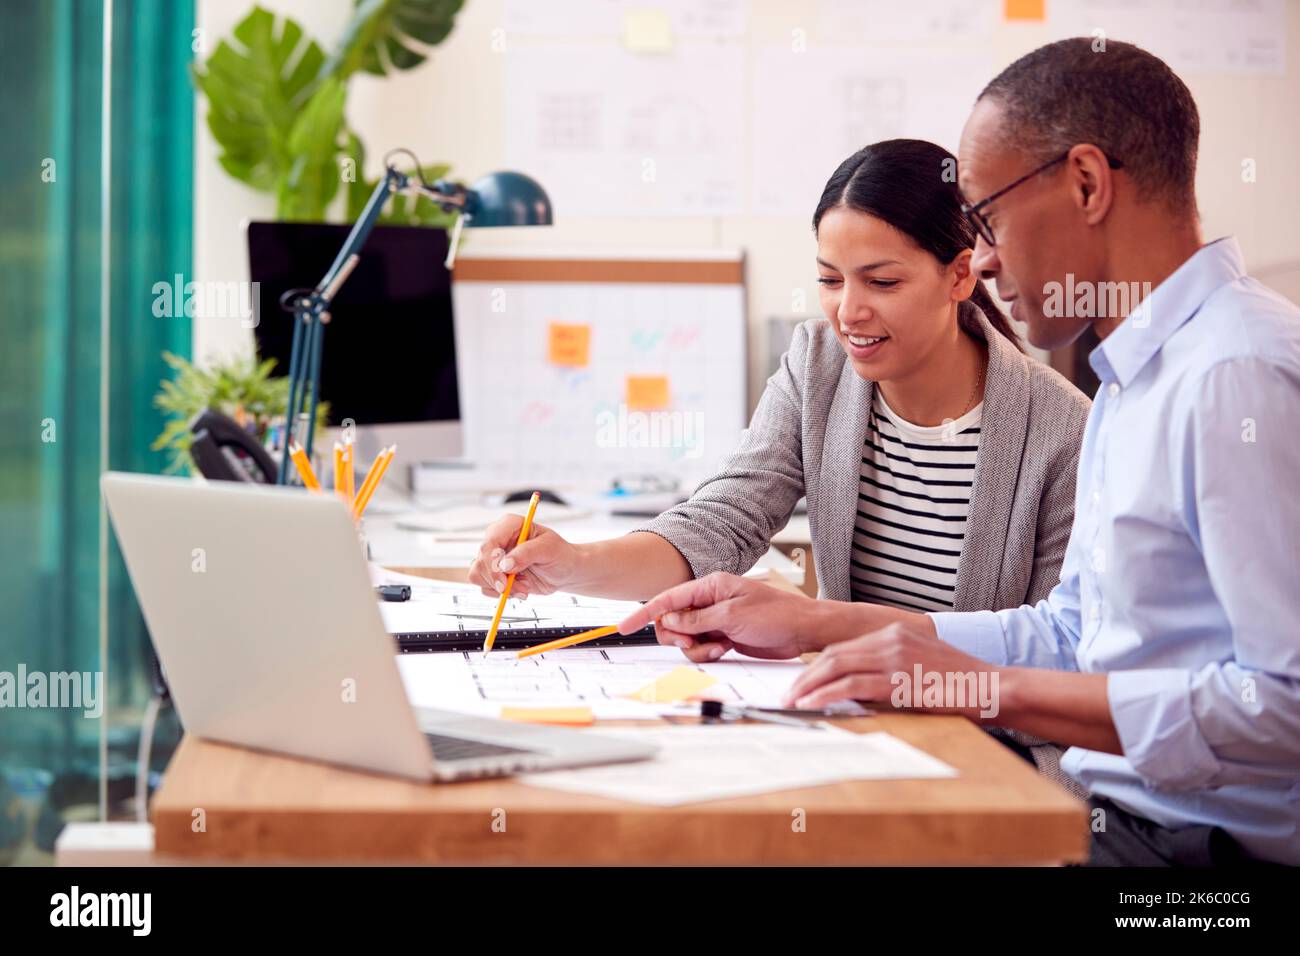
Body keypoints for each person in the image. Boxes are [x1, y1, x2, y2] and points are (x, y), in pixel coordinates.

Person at [621, 39, 1300, 867]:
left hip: (1191, 860)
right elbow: (1070, 633)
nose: (977, 260)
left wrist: (976, 685)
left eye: (985, 219)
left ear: (1087, 183)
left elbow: (1285, 704)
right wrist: (818, 624)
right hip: (1115, 828)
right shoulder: (1136, 376)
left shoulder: (1237, 375)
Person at [470, 137, 1089, 636]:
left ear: (958, 277)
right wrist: (572, 563)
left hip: (988, 749)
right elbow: (722, 522)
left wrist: (813, 626)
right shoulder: (818, 365)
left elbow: (1049, 653)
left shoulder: (1062, 430)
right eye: (829, 279)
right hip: (856, 720)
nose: (848, 311)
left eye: (882, 282)